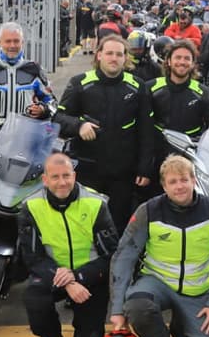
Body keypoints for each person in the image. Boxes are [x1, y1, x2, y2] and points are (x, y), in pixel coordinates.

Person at [109, 155, 209, 337]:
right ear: (164, 186)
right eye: (173, 182)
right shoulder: (148, 211)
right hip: (157, 282)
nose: (179, 186)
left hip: (197, 289)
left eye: (184, 180)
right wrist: (117, 308)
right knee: (137, 305)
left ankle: (181, 327)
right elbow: (124, 257)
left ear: (194, 181)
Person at [20, 153, 118, 337]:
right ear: (45, 180)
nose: (62, 182)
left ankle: (85, 335)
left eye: (66, 175)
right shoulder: (30, 206)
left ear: (74, 176)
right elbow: (32, 257)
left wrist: (78, 276)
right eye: (55, 177)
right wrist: (67, 280)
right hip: (54, 273)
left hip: (89, 275)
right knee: (34, 300)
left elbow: (111, 254)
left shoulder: (95, 204)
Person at [55, 34, 155, 232]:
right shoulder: (80, 83)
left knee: (118, 225)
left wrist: (145, 168)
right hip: (87, 170)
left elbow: (146, 130)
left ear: (126, 58)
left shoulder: (137, 86)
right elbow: (58, 119)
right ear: (99, 55)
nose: (114, 58)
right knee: (84, 224)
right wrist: (79, 126)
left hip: (123, 172)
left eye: (119, 54)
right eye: (109, 53)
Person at [0, 22, 55, 120]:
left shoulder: (34, 70)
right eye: (8, 41)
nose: (12, 45)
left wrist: (43, 109)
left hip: (25, 131)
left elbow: (52, 102)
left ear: (22, 42)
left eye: (16, 41)